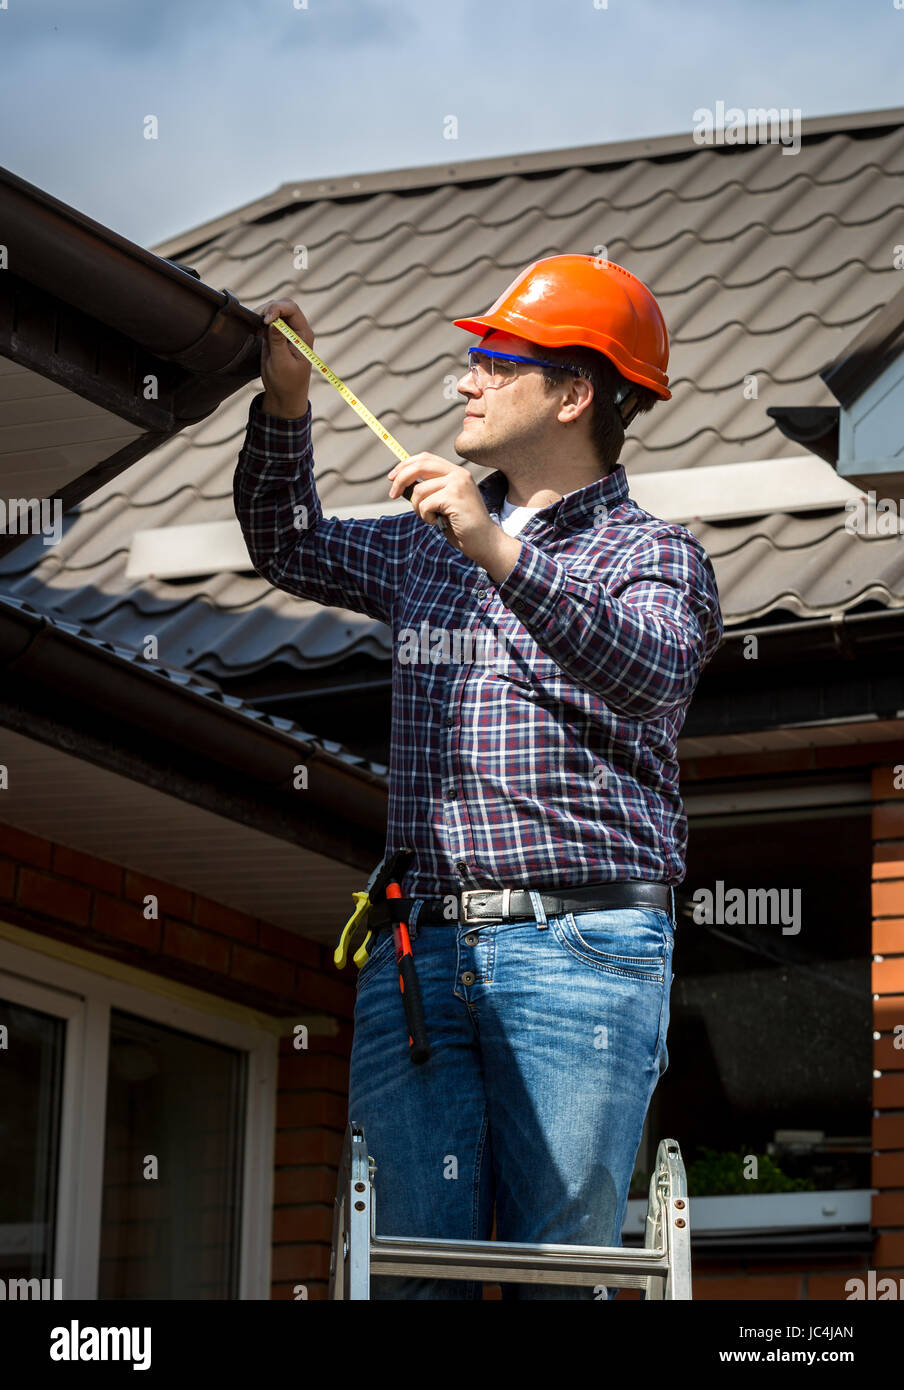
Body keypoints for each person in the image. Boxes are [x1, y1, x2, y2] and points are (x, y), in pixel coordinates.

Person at [233, 254, 724, 1300]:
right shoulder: (430, 544)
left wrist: (496, 549)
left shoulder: (654, 555)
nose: (465, 377)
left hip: (582, 946)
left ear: (574, 392)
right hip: (422, 944)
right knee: (414, 1279)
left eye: (496, 359)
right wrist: (284, 406)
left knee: (559, 1276)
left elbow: (648, 673)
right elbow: (285, 542)